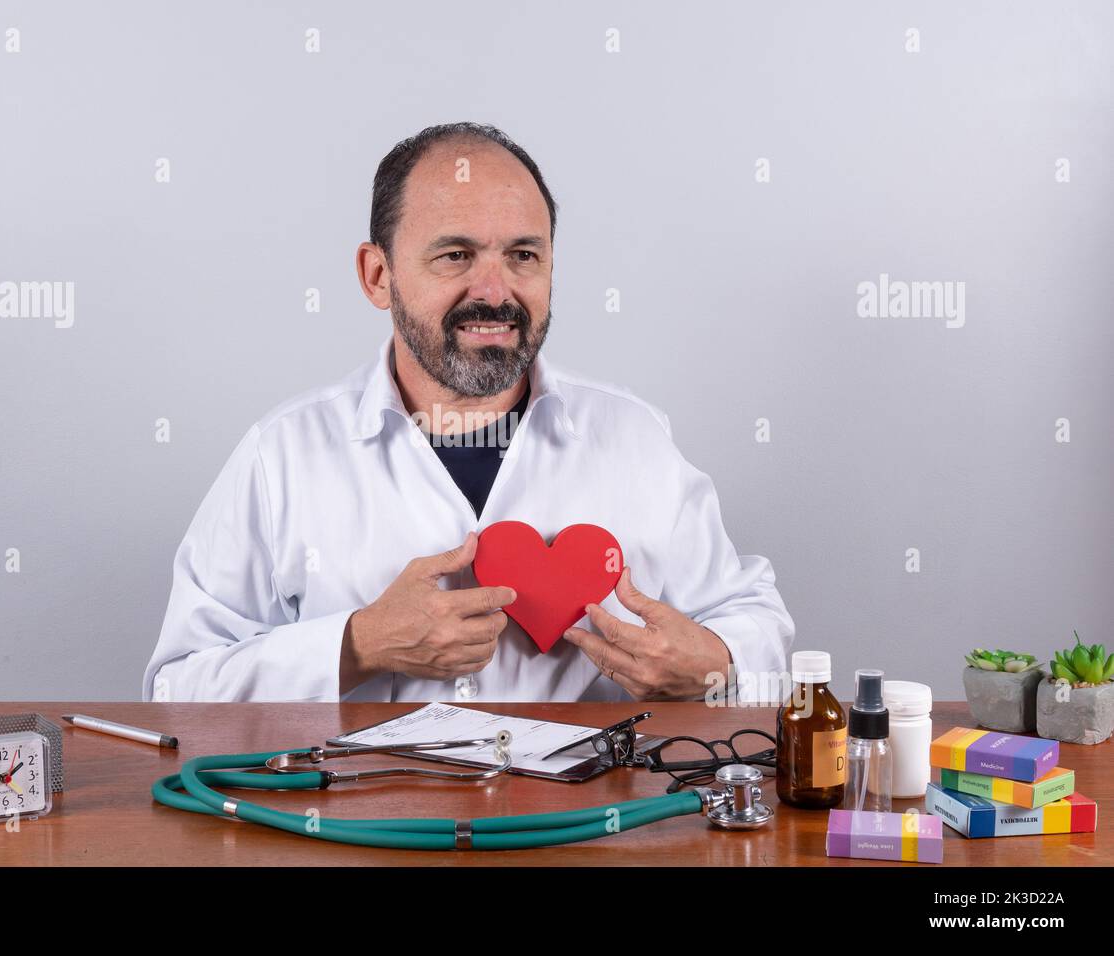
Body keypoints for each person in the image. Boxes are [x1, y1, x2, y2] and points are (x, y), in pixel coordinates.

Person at [143, 122, 793, 703]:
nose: (494, 291)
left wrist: (716, 662)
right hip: (356, 834)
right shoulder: (282, 455)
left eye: (523, 256)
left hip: (589, 832)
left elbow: (754, 624)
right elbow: (176, 687)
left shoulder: (634, 439)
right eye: (455, 255)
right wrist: (356, 646)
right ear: (377, 276)